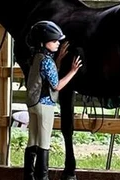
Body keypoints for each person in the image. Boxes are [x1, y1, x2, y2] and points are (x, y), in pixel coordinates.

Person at [24, 20, 82, 180]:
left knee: (32, 140)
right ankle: (43, 177)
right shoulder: (47, 61)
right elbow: (56, 85)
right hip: (46, 105)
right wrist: (73, 71)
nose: (58, 43)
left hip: (33, 104)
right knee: (44, 143)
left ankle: (28, 176)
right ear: (43, 42)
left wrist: (59, 59)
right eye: (54, 41)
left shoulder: (37, 57)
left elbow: (47, 75)